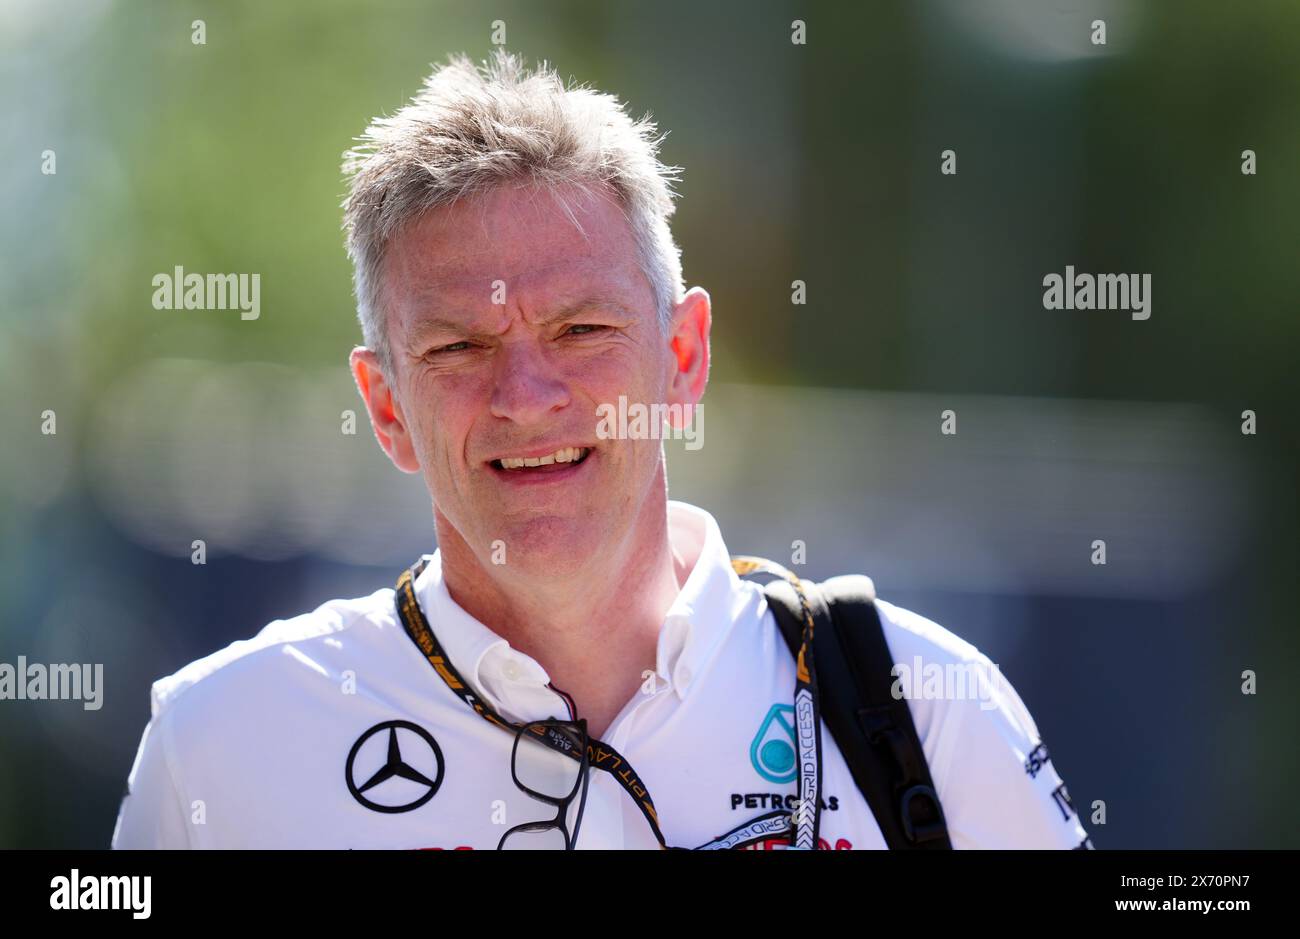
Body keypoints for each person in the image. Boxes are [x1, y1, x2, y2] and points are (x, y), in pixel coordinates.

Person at [112, 50, 1090, 850]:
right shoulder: (222, 745)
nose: (526, 398)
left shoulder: (924, 708)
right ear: (386, 407)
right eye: (458, 347)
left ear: (682, 355)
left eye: (582, 331)